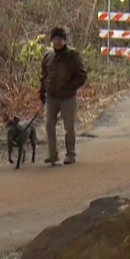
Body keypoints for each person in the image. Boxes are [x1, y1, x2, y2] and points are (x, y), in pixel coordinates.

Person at [39, 27, 88, 166]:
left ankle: (70, 154)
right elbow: (44, 76)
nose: (57, 42)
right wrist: (42, 92)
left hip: (68, 97)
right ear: (52, 41)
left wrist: (70, 87)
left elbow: (82, 75)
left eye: (60, 39)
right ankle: (52, 154)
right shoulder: (48, 56)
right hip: (51, 96)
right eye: (55, 39)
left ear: (64, 40)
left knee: (69, 127)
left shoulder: (72, 55)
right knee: (49, 125)